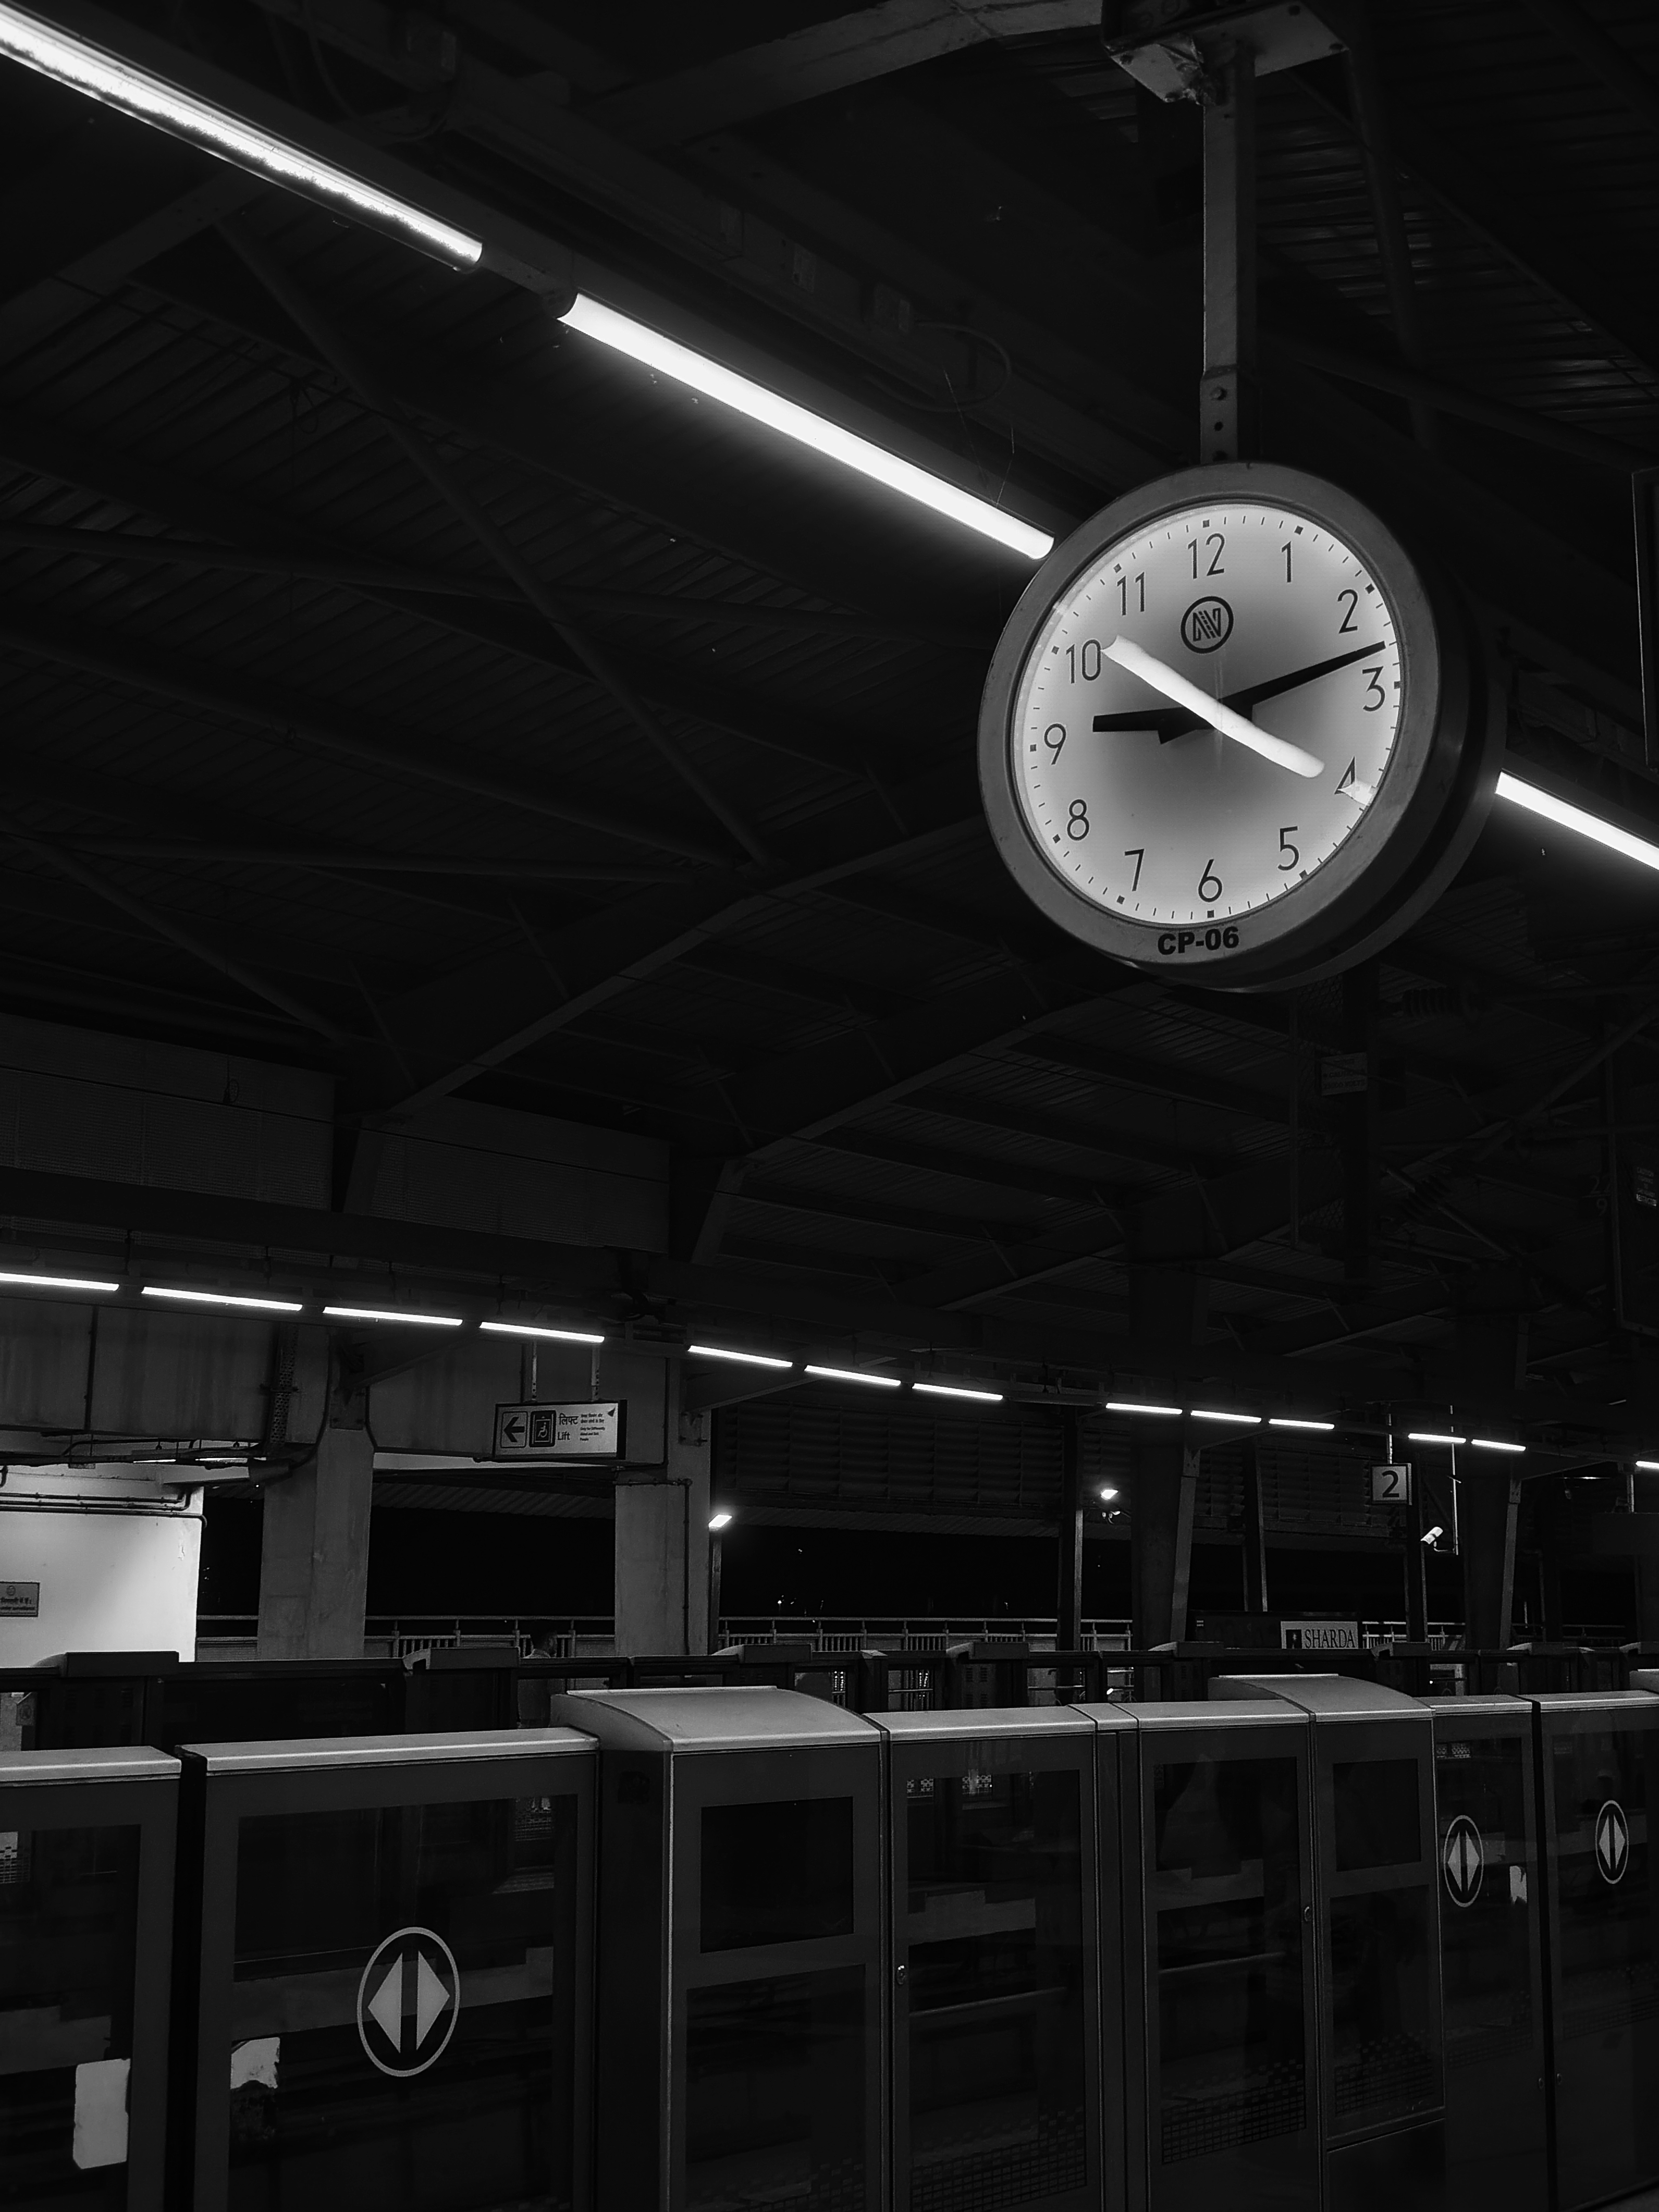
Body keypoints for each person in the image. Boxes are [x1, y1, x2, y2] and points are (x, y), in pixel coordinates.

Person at [517, 1620, 557, 1725]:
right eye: (556, 1640)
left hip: (524, 1726)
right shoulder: (553, 1668)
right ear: (550, 1641)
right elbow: (558, 1703)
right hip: (544, 1728)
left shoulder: (522, 1664)